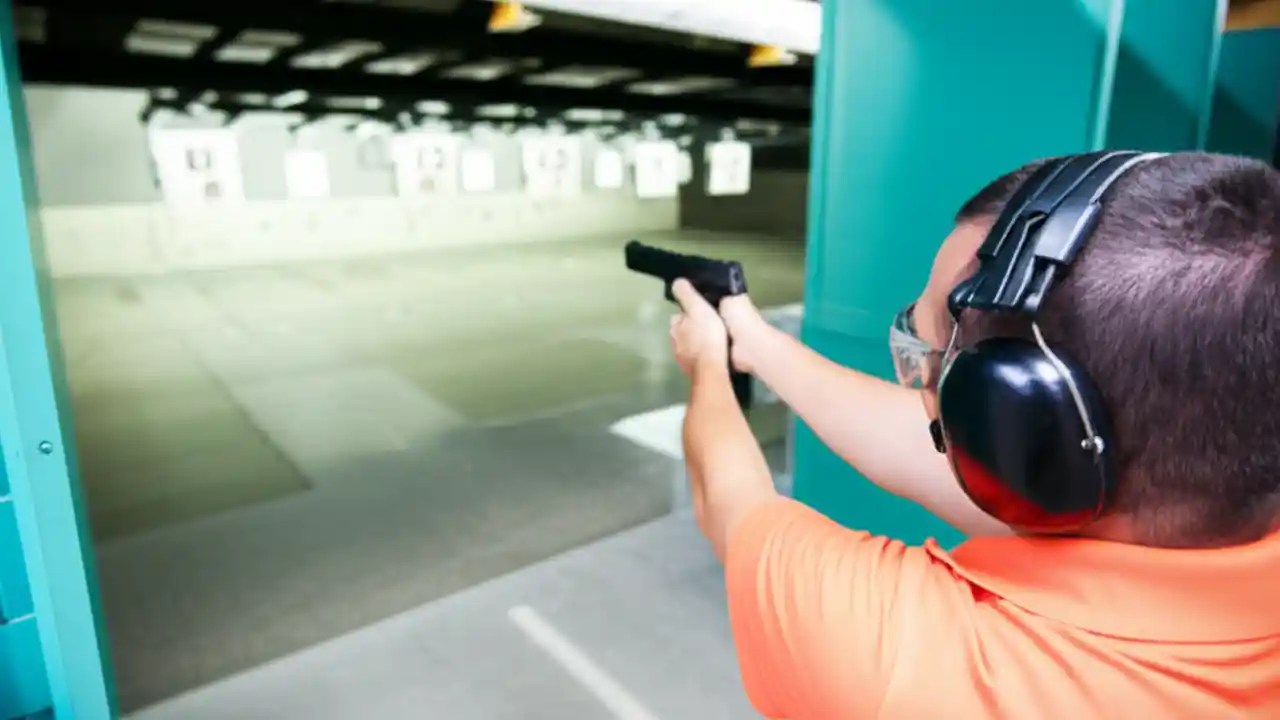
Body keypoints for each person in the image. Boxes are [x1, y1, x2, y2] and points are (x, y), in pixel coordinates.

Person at [668, 151, 1280, 718]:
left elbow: (728, 502)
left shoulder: (926, 667)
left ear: (1013, 417)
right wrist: (757, 343)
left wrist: (709, 365)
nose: (926, 389)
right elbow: (915, 446)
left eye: (939, 358)